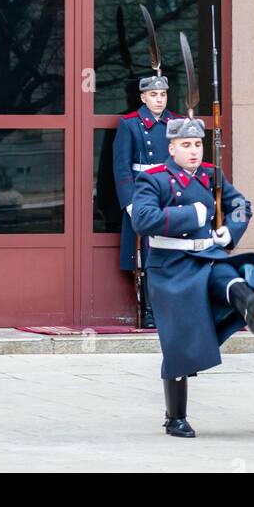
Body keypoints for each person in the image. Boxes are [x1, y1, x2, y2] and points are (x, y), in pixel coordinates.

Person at [131, 115, 254, 437]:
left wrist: (230, 230)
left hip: (206, 255)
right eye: (186, 145)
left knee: (229, 277)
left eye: (197, 144)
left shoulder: (212, 174)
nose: (194, 151)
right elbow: (143, 219)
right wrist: (192, 214)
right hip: (170, 266)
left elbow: (241, 206)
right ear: (172, 148)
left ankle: (252, 309)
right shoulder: (154, 179)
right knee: (177, 342)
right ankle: (175, 417)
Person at [113, 74, 176, 329]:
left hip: (171, 192)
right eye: (153, 95)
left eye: (162, 95)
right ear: (143, 98)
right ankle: (150, 310)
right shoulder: (130, 124)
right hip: (143, 194)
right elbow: (122, 167)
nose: (159, 100)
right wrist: (130, 203)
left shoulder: (177, 122)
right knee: (147, 254)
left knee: (173, 251)